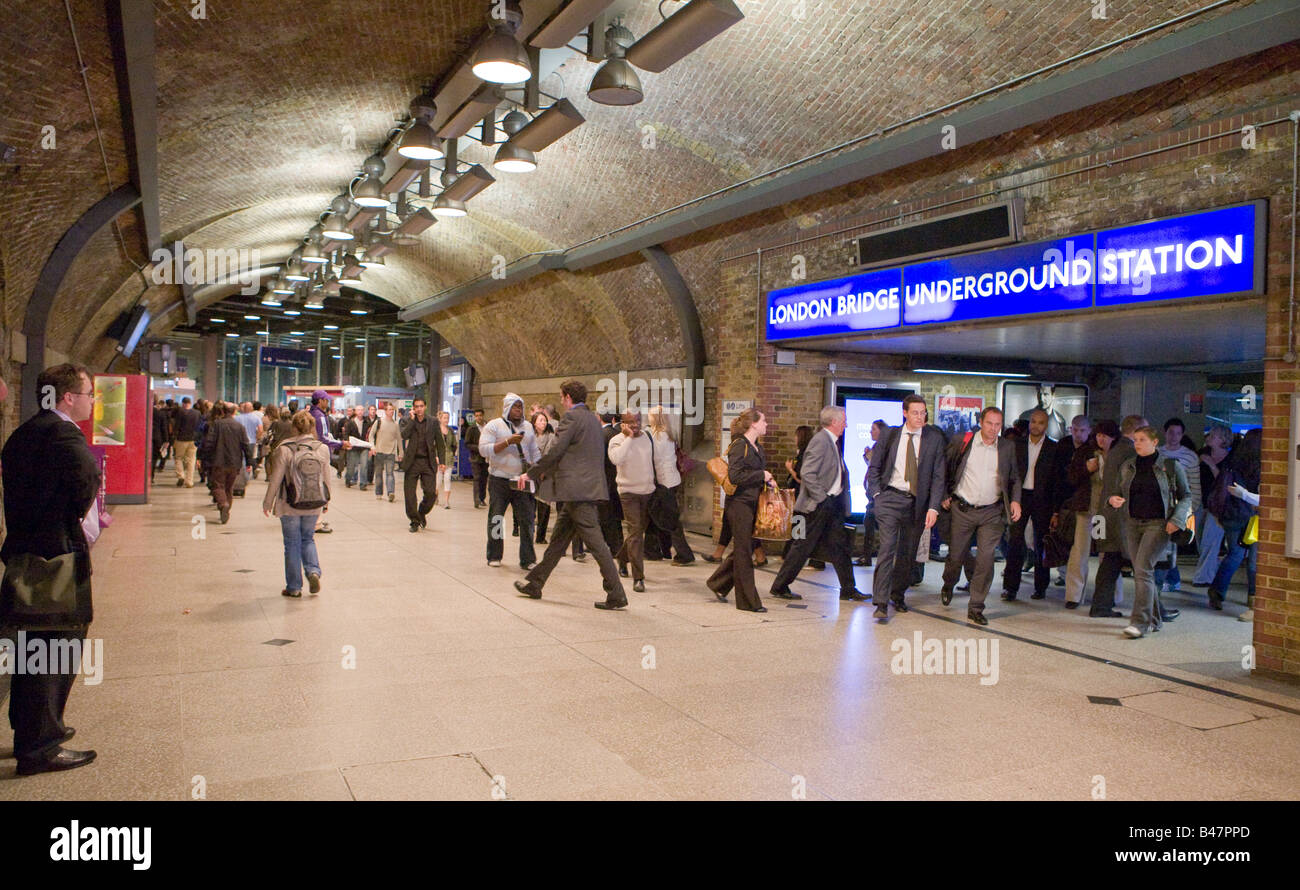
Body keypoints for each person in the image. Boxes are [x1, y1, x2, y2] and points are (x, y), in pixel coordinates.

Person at [0, 364, 101, 775]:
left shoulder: (24, 432)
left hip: (25, 553)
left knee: (29, 648)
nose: (93, 401)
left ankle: (31, 729)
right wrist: (69, 519)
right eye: (89, 393)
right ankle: (40, 746)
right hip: (53, 559)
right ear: (67, 397)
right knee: (55, 647)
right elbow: (87, 479)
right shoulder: (63, 434)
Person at [513, 381, 627, 610]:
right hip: (587, 488)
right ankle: (535, 583)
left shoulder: (572, 418)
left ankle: (616, 593)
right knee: (557, 542)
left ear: (566, 398)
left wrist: (531, 473)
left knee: (597, 544)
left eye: (562, 397)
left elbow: (556, 450)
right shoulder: (594, 421)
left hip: (578, 492)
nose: (562, 402)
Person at [768, 406, 866, 603]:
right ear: (834, 422)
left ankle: (848, 588)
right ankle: (779, 585)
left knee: (840, 546)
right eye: (844, 421)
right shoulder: (821, 441)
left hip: (832, 504)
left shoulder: (832, 441)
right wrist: (822, 498)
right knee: (802, 546)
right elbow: (808, 473)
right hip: (818, 505)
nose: (846, 424)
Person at [939, 406, 1022, 625]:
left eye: (998, 425)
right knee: (956, 556)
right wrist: (945, 494)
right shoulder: (962, 441)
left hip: (992, 512)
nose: (994, 429)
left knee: (986, 559)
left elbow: (1014, 477)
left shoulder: (1006, 447)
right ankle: (949, 582)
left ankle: (976, 607)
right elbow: (945, 469)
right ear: (981, 422)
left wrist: (1015, 500)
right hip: (962, 509)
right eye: (989, 423)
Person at [867, 394, 946, 622]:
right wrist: (876, 495)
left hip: (917, 503)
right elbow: (875, 467)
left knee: (907, 553)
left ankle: (897, 594)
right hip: (890, 499)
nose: (920, 417)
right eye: (915, 412)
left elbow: (939, 476)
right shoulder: (891, 435)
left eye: (923, 413)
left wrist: (934, 507)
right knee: (887, 548)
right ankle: (881, 602)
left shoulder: (933, 439)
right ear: (905, 413)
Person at [1107, 426, 1192, 639]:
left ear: (1155, 442)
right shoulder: (1128, 466)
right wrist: (1112, 500)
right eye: (1135, 439)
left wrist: (1177, 519)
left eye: (1142, 440)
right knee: (1143, 571)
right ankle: (1154, 620)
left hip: (1159, 524)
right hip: (1132, 523)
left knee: (1143, 569)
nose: (1137, 443)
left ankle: (1139, 623)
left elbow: (1186, 496)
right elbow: (1116, 492)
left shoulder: (1170, 466)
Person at [706, 409, 775, 612]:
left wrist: (767, 480)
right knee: (745, 552)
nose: (766, 424)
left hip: (754, 503)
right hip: (739, 505)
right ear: (753, 424)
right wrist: (761, 475)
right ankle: (748, 601)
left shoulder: (756, 447)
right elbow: (735, 477)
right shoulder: (739, 446)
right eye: (763, 420)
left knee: (743, 548)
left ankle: (717, 583)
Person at [262, 409, 330, 598]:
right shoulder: (321, 448)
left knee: (291, 543)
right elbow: (326, 477)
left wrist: (268, 503)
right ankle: (313, 571)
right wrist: (326, 500)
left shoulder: (285, 448)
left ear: (294, 427)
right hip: (314, 501)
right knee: (308, 539)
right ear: (312, 427)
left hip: (289, 503)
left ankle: (294, 587)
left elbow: (276, 478)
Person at [1089, 414, 1145, 619]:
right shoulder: (1129, 451)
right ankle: (1153, 609)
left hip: (1105, 514)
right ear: (1137, 429)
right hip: (1119, 517)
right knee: (1141, 562)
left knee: (1110, 561)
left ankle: (1100, 606)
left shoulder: (1116, 450)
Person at [1002, 408, 1060, 601]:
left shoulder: (1053, 447)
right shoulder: (1016, 444)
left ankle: (1041, 587)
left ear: (1046, 425)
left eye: (1040, 422)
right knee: (1015, 541)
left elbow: (1056, 481)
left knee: (1041, 543)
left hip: (1043, 499)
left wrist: (1055, 510)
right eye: (1033, 421)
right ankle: (1010, 588)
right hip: (1020, 497)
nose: (1036, 425)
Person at [480, 393, 541, 568]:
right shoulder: (494, 426)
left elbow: (534, 451)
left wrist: (539, 469)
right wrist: (507, 442)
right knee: (497, 518)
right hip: (499, 480)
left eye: (521, 407)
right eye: (515, 407)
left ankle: (528, 559)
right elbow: (484, 450)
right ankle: (494, 555)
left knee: (527, 520)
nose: (518, 411)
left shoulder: (528, 427)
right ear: (507, 408)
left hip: (521, 480)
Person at [1061, 419, 1118, 609]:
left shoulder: (1117, 455)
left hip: (1105, 513)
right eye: (1099, 435)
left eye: (1105, 436)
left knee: (1106, 553)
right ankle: (1074, 595)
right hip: (1086, 508)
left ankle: (1108, 595)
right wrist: (1087, 468)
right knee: (1080, 552)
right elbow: (1071, 478)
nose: (1101, 439)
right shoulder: (1086, 452)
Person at [1205, 428, 1261, 615]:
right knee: (1254, 558)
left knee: (1235, 554)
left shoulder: (1233, 461)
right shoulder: (1262, 465)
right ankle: (1254, 597)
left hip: (1232, 515)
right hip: (1253, 517)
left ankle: (1217, 592)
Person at [607, 410, 657, 592]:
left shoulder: (647, 437)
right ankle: (639, 578)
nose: (635, 425)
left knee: (637, 532)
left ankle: (622, 557)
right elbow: (616, 459)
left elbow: (654, 461)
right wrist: (628, 437)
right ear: (623, 423)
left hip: (648, 491)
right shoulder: (617, 440)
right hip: (628, 492)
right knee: (635, 533)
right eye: (631, 422)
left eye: (637, 420)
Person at [646, 404, 694, 566]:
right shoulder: (670, 434)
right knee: (659, 516)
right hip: (672, 480)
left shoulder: (657, 437)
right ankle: (657, 550)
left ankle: (684, 554)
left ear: (654, 419)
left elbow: (651, 459)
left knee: (670, 519)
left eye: (649, 416)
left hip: (663, 482)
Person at [1192, 423, 1233, 587]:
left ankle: (1203, 577)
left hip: (1219, 504)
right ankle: (1212, 569)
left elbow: (1225, 482)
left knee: (1211, 539)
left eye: (1214, 436)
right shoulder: (1201, 455)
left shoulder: (1230, 459)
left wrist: (1211, 464)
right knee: (1200, 540)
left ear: (1223, 440)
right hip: (1201, 501)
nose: (1209, 438)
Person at [400, 396, 445, 533]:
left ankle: (421, 512)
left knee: (431, 493)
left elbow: (440, 443)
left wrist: (442, 461)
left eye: (421, 406)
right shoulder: (407, 421)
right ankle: (414, 520)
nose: (419, 409)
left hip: (427, 461)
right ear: (413, 408)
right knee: (410, 494)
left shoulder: (433, 422)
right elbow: (404, 435)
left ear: (425, 407)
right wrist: (412, 421)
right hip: (412, 461)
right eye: (416, 406)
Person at [202, 401, 246, 524]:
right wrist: (250, 462)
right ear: (234, 412)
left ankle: (223, 504)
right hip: (234, 462)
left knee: (217, 485)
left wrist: (205, 457)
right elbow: (245, 445)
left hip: (218, 461)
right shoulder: (239, 426)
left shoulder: (216, 424)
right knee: (229, 487)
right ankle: (226, 508)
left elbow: (209, 443)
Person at [855, 420, 886, 567]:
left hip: (878, 497)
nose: (870, 432)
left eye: (873, 429)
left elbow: (879, 468)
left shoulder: (884, 448)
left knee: (872, 524)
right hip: (872, 496)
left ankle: (870, 556)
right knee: (868, 524)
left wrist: (870, 458)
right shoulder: (876, 447)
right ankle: (866, 556)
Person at [368, 402, 402, 503]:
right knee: (378, 474)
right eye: (389, 409)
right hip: (379, 452)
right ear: (385, 411)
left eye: (392, 410)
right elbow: (371, 435)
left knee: (390, 473)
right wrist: (372, 447)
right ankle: (379, 493)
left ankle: (391, 492)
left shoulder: (396, 425)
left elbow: (399, 439)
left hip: (390, 453)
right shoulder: (379, 422)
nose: (391, 411)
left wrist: (401, 453)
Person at [531, 412, 556, 542]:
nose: (543, 423)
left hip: (545, 474)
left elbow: (549, 455)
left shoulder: (551, 437)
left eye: (545, 420)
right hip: (531, 473)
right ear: (534, 423)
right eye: (540, 420)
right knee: (530, 504)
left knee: (544, 505)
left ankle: (541, 535)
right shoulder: (530, 437)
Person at [172, 396, 201, 487]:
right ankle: (189, 481)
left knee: (178, 458)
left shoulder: (180, 412)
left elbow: (176, 426)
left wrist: (174, 436)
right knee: (191, 460)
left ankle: (180, 475)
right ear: (190, 403)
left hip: (181, 439)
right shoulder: (197, 413)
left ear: (183, 403)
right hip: (193, 439)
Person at [462, 408, 489, 508]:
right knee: (477, 478)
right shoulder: (471, 429)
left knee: (484, 479)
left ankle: (482, 498)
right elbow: (467, 444)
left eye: (480, 415)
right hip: (475, 458)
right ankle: (476, 500)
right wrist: (477, 448)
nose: (478, 418)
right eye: (476, 416)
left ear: (483, 415)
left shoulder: (487, 427)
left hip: (486, 458)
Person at [342, 407, 370, 490]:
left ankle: (363, 484)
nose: (360, 412)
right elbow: (346, 434)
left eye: (362, 410)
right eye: (358, 410)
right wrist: (347, 443)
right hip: (353, 447)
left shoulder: (367, 422)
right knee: (351, 467)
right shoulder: (350, 422)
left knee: (364, 465)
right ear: (355, 411)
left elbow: (370, 434)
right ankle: (348, 479)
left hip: (364, 447)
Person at [234, 402, 263, 478]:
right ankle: (251, 471)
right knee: (251, 457)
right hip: (252, 441)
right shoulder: (256, 418)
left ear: (243, 408)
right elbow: (260, 429)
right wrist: (257, 437)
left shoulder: (237, 418)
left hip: (240, 441)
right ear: (252, 408)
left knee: (242, 457)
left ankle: (243, 474)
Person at [437, 411, 458, 509]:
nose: (446, 420)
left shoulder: (450, 431)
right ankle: (435, 496)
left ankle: (446, 501)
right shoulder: (436, 430)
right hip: (438, 458)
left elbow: (454, 444)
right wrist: (436, 457)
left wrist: (452, 454)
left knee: (447, 479)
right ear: (440, 419)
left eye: (447, 418)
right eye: (444, 418)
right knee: (438, 481)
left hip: (449, 458)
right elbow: (433, 445)